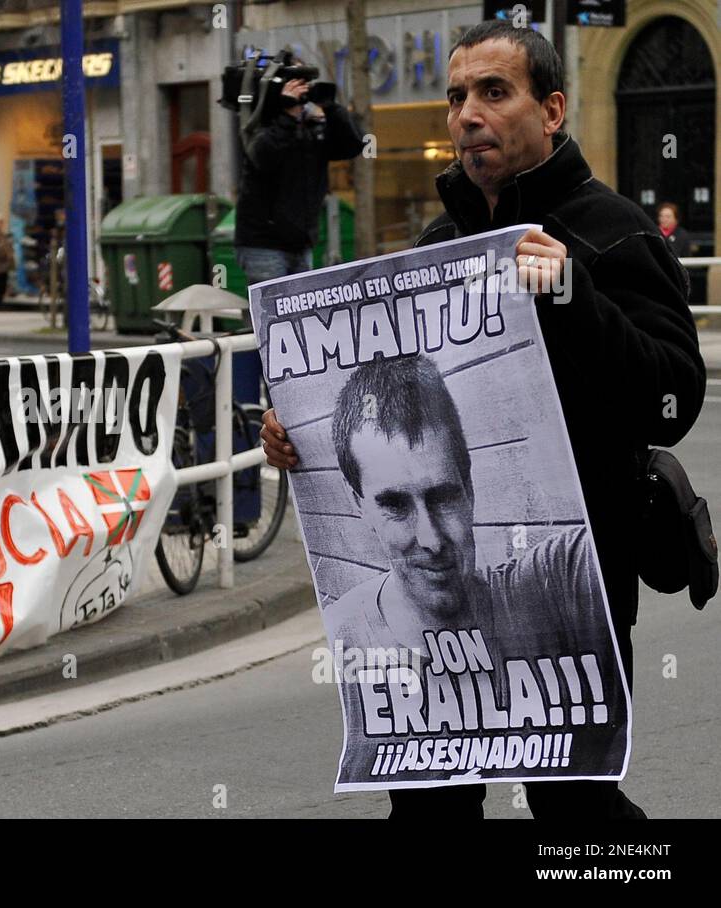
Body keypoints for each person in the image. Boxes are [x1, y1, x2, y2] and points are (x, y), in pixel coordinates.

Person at [261, 20, 705, 819]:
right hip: (427, 656)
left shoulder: (613, 233)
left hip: (593, 581)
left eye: (495, 93)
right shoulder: (440, 244)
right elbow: (378, 406)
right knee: (428, 808)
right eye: (457, 96)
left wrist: (575, 296)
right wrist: (297, 432)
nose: (468, 114)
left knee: (576, 809)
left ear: (553, 110)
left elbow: (672, 398)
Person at [324, 356, 615, 783]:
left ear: (470, 489)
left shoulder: (551, 586)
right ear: (358, 504)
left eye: (443, 497)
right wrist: (285, 434)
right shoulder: (347, 634)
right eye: (396, 505)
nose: (431, 539)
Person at [234, 56, 365, 287]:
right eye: (294, 84)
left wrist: (331, 108)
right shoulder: (262, 127)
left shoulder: (311, 129)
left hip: (301, 244)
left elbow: (353, 145)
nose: (302, 92)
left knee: (298, 309)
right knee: (274, 307)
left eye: (305, 84)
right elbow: (264, 157)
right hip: (264, 244)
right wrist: (288, 115)